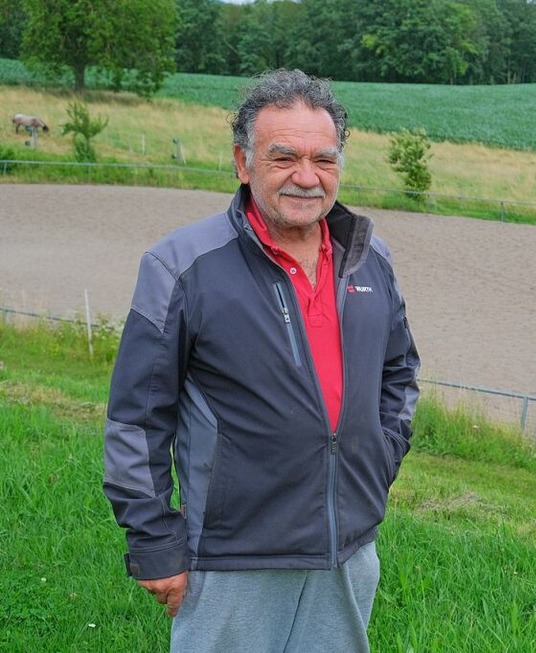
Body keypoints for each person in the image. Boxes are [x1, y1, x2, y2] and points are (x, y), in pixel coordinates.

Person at [103, 68, 421, 652]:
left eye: (324, 159)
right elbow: (137, 418)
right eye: (284, 158)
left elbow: (399, 375)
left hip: (346, 552)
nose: (307, 177)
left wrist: (376, 459)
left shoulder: (370, 257)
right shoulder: (181, 265)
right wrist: (152, 541)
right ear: (243, 164)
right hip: (231, 558)